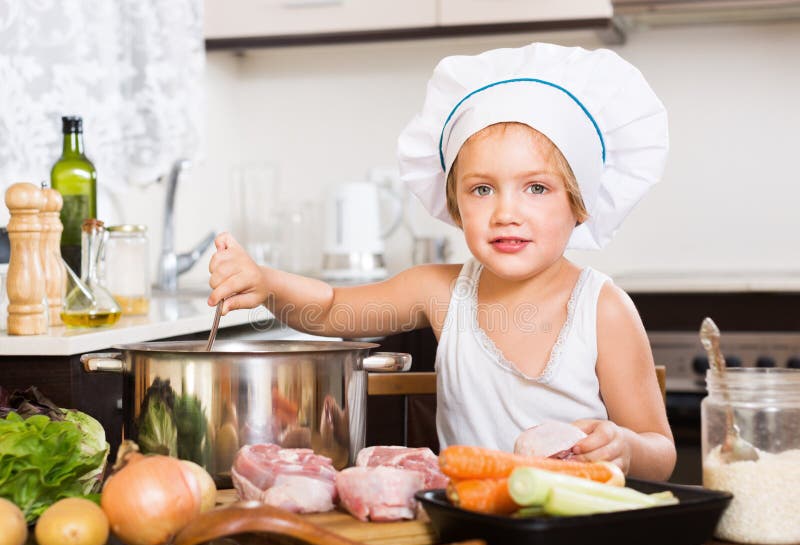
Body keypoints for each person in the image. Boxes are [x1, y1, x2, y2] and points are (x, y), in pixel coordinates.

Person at [208, 42, 676, 481]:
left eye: (536, 188)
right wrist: (266, 284)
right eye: (482, 189)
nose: (506, 213)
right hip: (467, 528)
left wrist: (628, 448)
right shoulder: (439, 291)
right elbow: (332, 308)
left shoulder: (604, 309)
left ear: (579, 204)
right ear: (455, 206)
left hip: (577, 534)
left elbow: (661, 452)